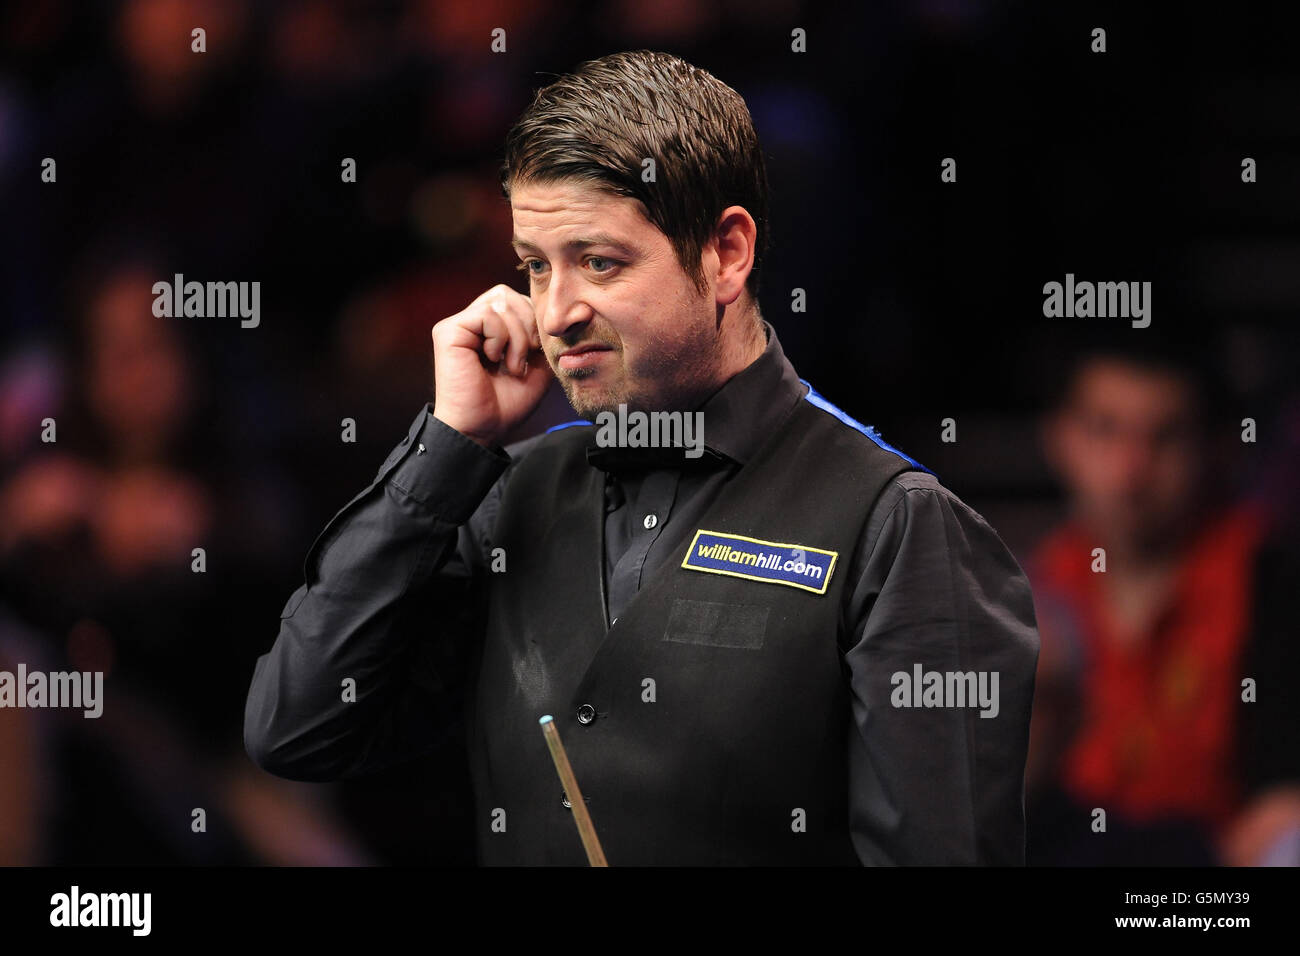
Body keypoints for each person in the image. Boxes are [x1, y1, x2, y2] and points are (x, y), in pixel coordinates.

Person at [244, 50, 1040, 865]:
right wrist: (444, 449)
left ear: (726, 254)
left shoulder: (897, 527)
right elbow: (295, 729)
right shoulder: (505, 495)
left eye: (598, 262)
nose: (554, 314)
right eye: (534, 267)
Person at [1026, 339, 1300, 865]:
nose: (1132, 471)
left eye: (1165, 437)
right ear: (1059, 438)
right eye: (1104, 429)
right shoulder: (1025, 591)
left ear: (1218, 446)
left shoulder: (1274, 581)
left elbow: (1279, 810)